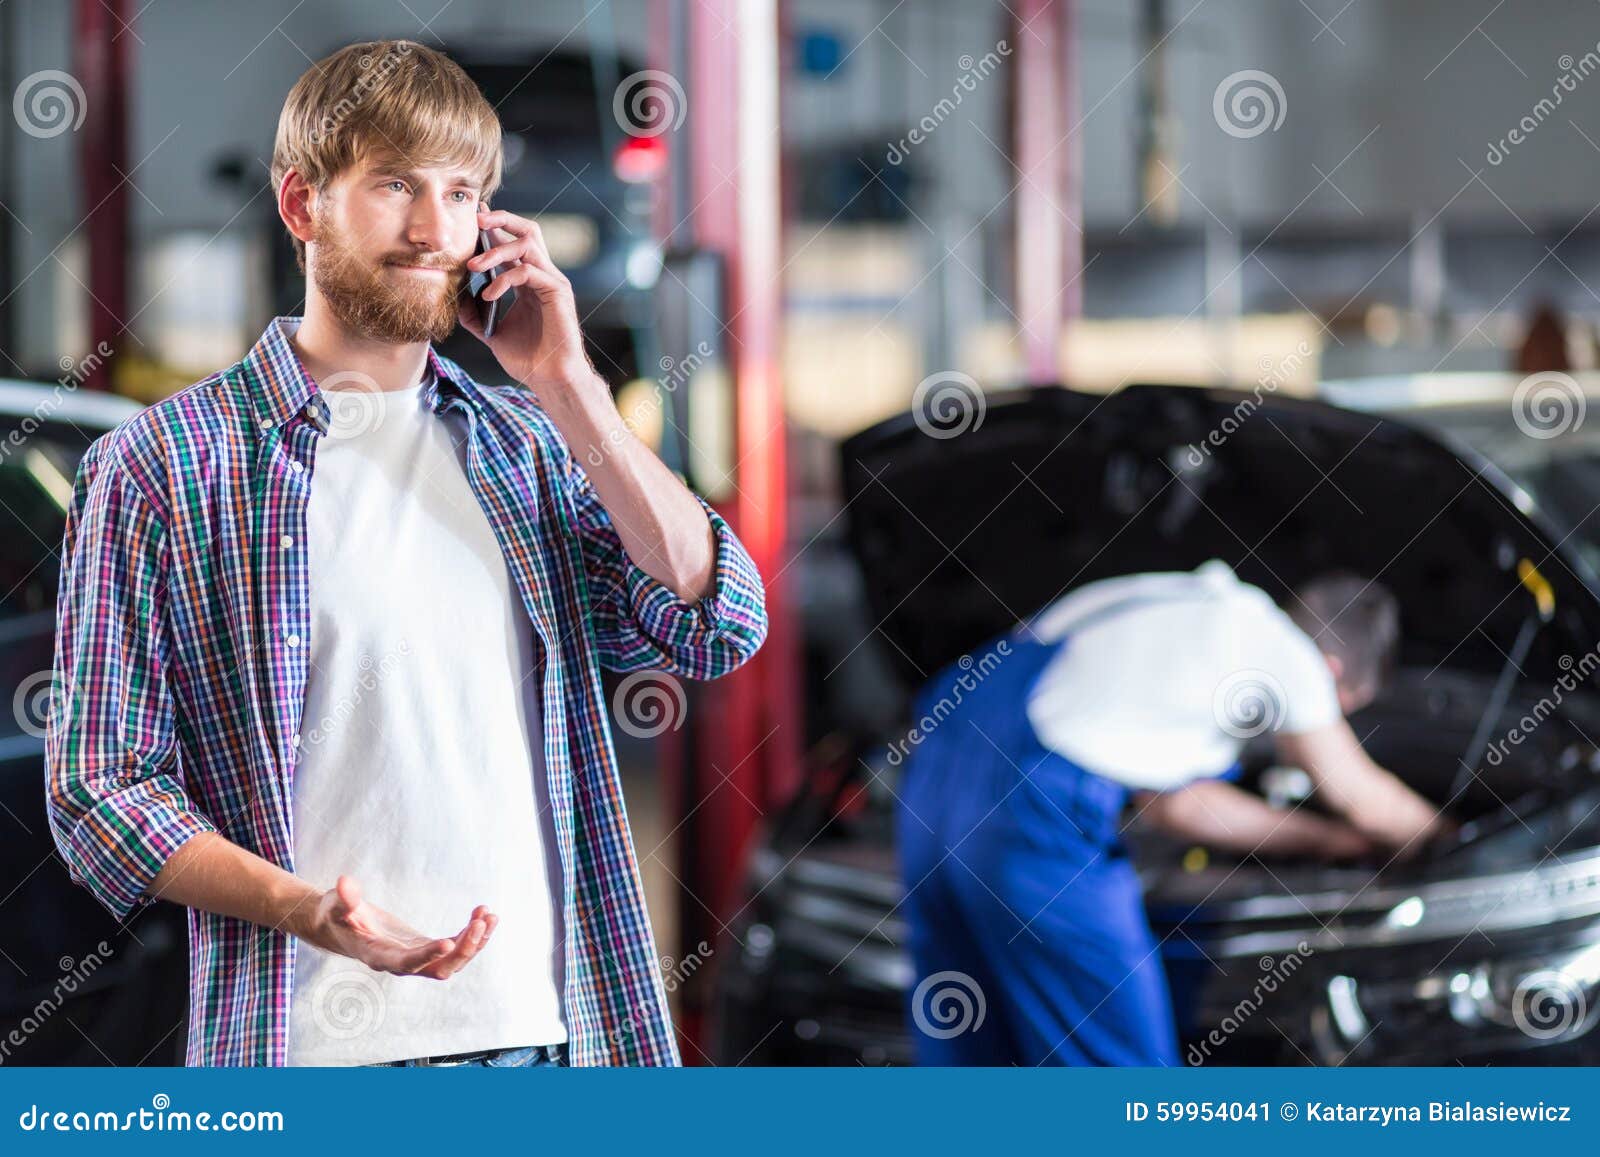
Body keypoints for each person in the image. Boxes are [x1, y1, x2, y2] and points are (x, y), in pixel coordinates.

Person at [44, 39, 767, 1068]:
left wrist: (570, 388)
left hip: (554, 1036)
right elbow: (100, 787)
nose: (435, 229)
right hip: (312, 1049)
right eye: (393, 186)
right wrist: (305, 909)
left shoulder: (526, 445)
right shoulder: (165, 466)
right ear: (302, 205)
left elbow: (715, 620)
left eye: (462, 192)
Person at [894, 559, 1453, 1066]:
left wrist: (1329, 842)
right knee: (1119, 1069)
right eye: (1340, 712)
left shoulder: (1175, 597)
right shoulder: (1290, 655)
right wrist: (1447, 838)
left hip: (933, 784)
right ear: (1333, 671)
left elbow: (1180, 805)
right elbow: (1361, 794)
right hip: (1030, 813)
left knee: (976, 1057)